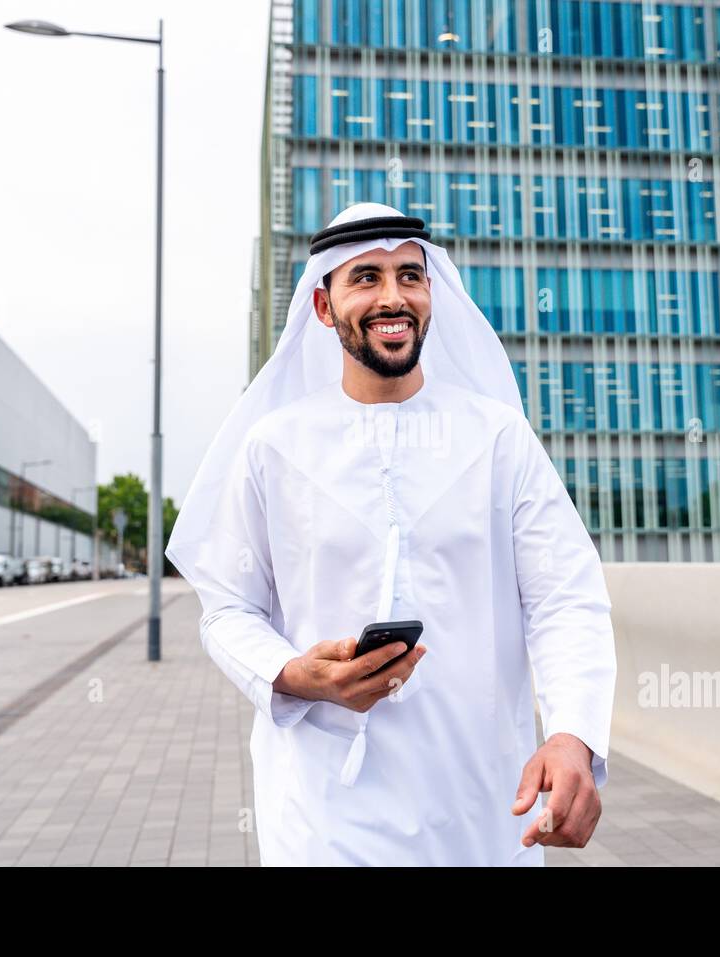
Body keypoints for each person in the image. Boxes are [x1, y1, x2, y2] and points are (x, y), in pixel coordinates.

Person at [165, 202, 617, 865]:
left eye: (410, 274)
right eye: (366, 278)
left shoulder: (498, 438)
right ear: (324, 306)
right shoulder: (274, 447)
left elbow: (564, 597)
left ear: (431, 292)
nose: (392, 296)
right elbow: (228, 609)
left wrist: (572, 734)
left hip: (482, 812)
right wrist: (296, 673)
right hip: (324, 814)